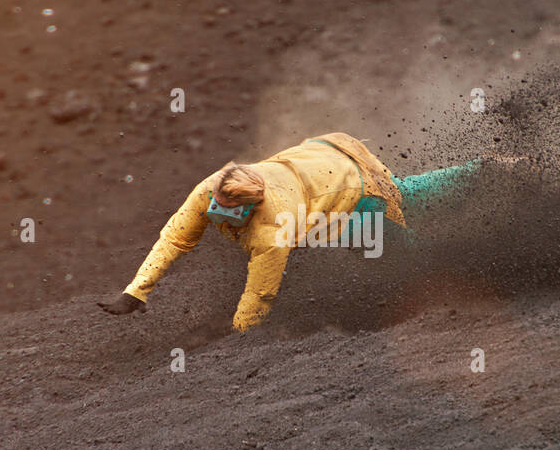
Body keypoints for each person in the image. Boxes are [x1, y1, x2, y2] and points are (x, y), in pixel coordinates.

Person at [98, 132, 484, 332]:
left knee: (400, 252)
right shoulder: (209, 189)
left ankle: (469, 251)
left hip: (356, 195)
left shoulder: (273, 224)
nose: (216, 212)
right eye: (216, 202)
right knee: (409, 191)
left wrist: (241, 333)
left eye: (229, 210)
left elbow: (261, 291)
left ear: (250, 206)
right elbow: (175, 237)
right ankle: (477, 172)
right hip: (322, 157)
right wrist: (136, 290)